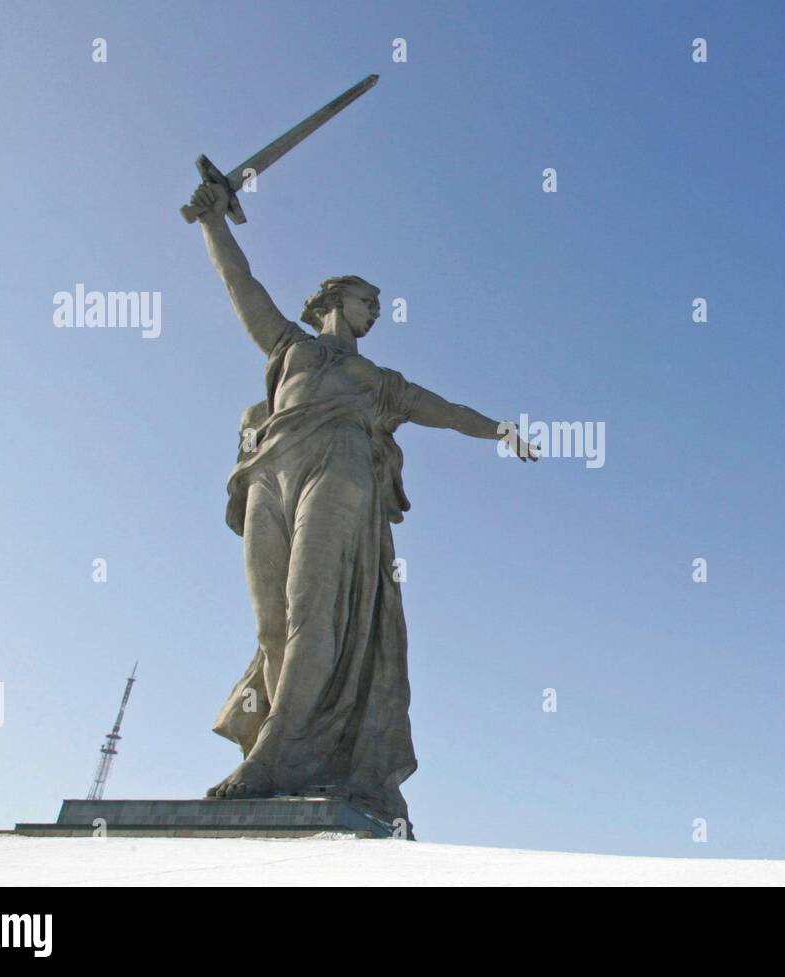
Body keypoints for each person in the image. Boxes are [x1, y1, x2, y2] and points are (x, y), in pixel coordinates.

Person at [188, 181, 537, 834]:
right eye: (366, 300)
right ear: (332, 299)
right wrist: (213, 221)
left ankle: (269, 757)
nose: (374, 311)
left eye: (377, 305)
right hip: (270, 470)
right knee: (272, 621)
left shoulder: (378, 382)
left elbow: (444, 409)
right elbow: (242, 284)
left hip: (340, 468)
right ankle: (285, 742)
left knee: (315, 608)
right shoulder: (289, 347)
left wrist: (499, 430)